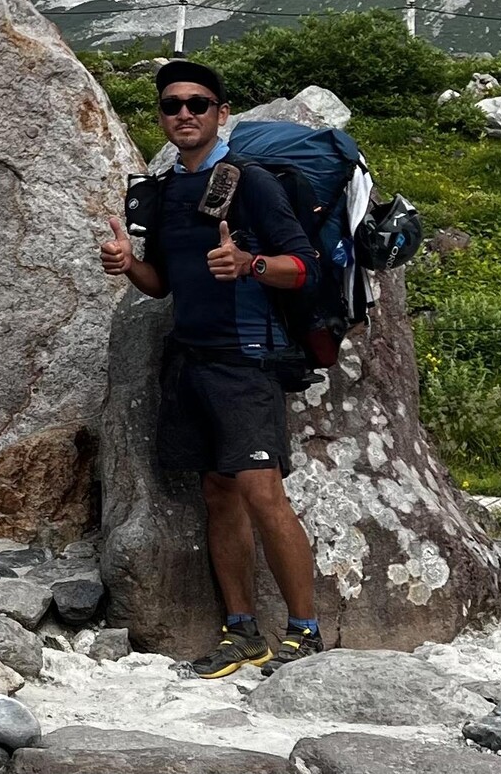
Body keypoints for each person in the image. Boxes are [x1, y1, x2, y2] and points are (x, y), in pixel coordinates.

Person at [99, 59, 324, 678]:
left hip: (247, 358)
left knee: (261, 491)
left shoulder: (250, 183)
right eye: (173, 105)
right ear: (163, 117)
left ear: (221, 113)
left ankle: (306, 634)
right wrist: (127, 265)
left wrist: (250, 263)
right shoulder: (166, 192)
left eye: (199, 103)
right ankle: (242, 630)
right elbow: (162, 284)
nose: (185, 114)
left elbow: (305, 267)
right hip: (191, 360)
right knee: (218, 493)